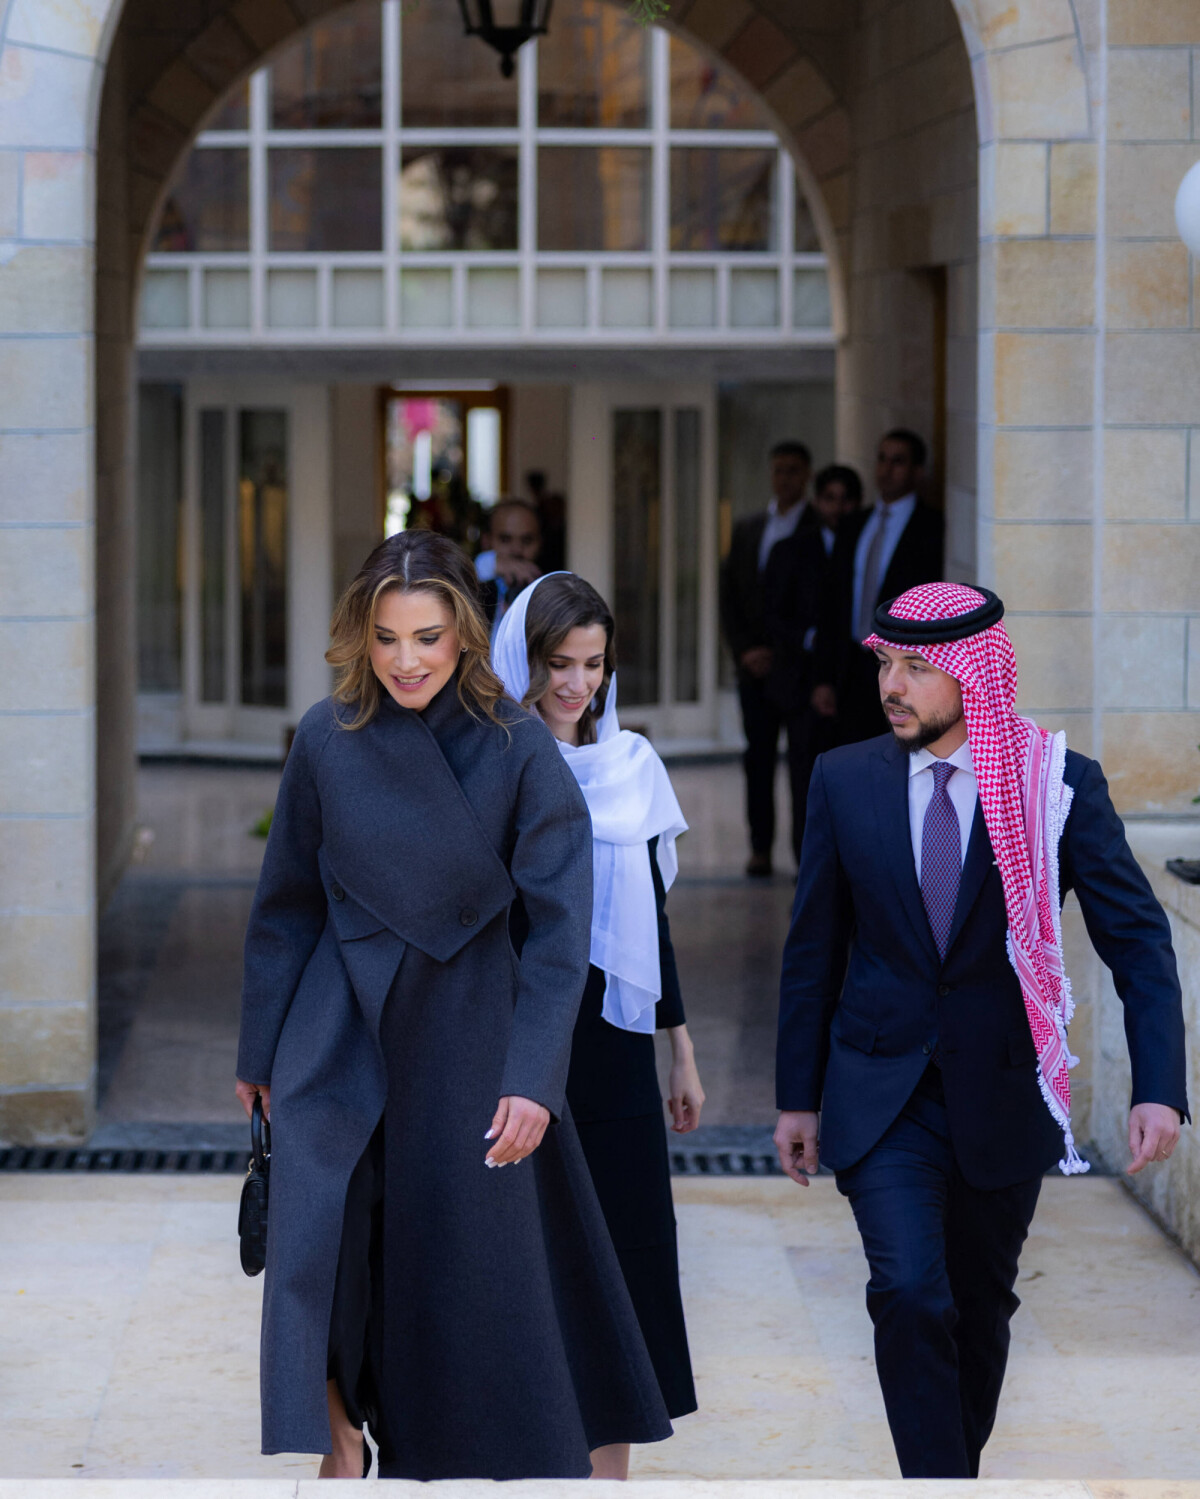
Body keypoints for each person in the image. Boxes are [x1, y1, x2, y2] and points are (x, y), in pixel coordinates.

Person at [235, 531, 671, 1481]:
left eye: (427, 637)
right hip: (338, 1023)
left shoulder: (516, 746)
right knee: (320, 1239)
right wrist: (258, 1052)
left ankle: (439, 1454)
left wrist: (533, 1076)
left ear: (463, 635)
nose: (406, 660)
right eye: (386, 637)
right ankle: (338, 1431)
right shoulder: (326, 735)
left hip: (468, 1031)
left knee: (460, 1264)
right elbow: (286, 905)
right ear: (361, 634)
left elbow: (560, 932)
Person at [774, 581, 1188, 1480]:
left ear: (974, 674)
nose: (892, 684)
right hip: (880, 1091)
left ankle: (949, 1477)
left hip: (1002, 1093)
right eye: (885, 662)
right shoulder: (844, 779)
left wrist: (1158, 1084)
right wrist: (796, 1098)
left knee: (978, 1307)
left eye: (916, 667)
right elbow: (813, 951)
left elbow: (1138, 938)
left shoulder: (1056, 786)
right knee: (908, 1291)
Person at [492, 572, 704, 1480]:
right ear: (522, 660)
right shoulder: (493, 763)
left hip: (616, 1049)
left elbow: (650, 919)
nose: (576, 683)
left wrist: (679, 1049)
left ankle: (607, 1478)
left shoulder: (632, 767)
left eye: (592, 663)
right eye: (558, 663)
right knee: (527, 1262)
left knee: (622, 1254)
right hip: (521, 1046)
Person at [719, 439, 814, 876]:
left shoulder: (817, 529)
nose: (785, 478)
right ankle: (760, 848)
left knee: (802, 764)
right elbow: (729, 596)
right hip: (752, 668)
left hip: (796, 669)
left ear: (806, 475)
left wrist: (781, 652)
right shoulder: (748, 528)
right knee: (757, 759)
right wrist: (745, 650)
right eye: (778, 469)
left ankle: (802, 855)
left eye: (793, 470)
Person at [812, 430, 943, 745]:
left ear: (917, 471)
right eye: (882, 459)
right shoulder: (854, 524)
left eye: (898, 461)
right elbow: (832, 604)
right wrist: (823, 677)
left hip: (901, 667)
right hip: (849, 667)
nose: (886, 469)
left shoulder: (932, 528)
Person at [769, 464, 864, 813]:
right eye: (830, 498)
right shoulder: (790, 549)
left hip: (854, 688)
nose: (838, 508)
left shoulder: (864, 546)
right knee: (805, 783)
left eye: (846, 499)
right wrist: (814, 640)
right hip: (801, 685)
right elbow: (774, 615)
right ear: (817, 501)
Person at [475, 496, 542, 633]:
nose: (517, 550)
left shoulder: (549, 591)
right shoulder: (475, 581)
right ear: (486, 541)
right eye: (505, 540)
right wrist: (488, 563)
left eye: (527, 540)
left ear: (540, 543)